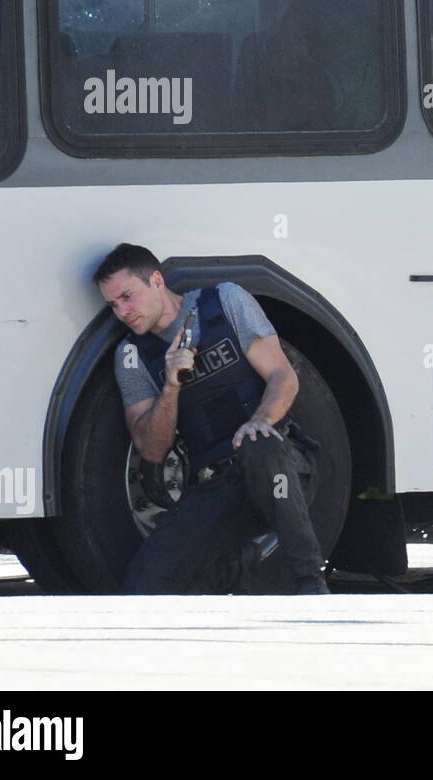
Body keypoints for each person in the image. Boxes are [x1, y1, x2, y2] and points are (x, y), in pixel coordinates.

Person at [93, 243, 331, 595]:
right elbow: (152, 450)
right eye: (113, 305)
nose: (123, 312)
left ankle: (311, 582)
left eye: (127, 296)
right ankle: (238, 566)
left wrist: (260, 420)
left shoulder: (224, 301)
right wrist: (171, 387)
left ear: (156, 280)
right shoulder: (133, 356)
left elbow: (284, 376)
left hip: (281, 468)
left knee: (260, 445)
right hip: (218, 484)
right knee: (145, 586)